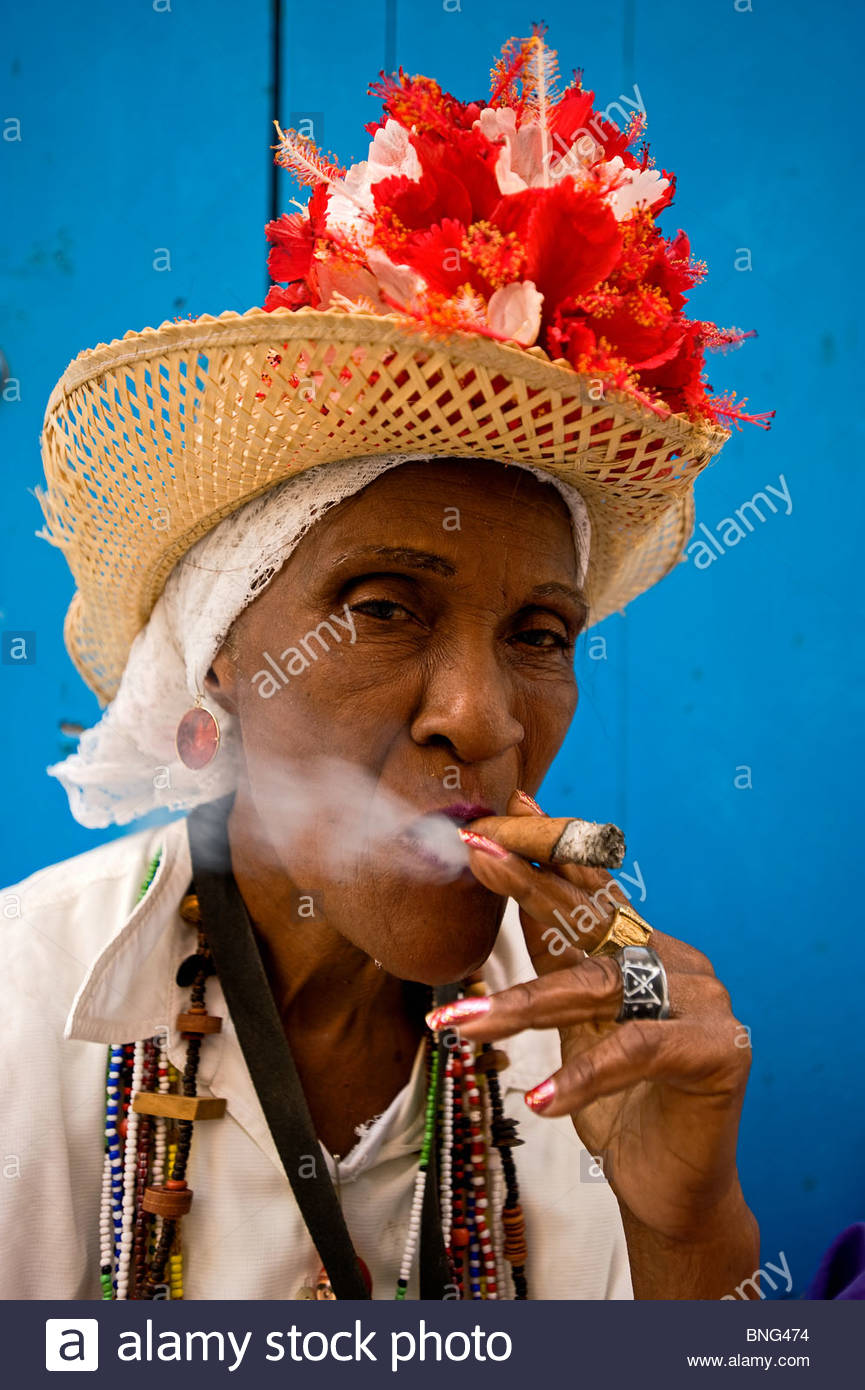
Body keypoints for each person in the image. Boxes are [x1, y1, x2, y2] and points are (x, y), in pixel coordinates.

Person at [0, 27, 768, 1301]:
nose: (480, 720)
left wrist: (685, 1224)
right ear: (214, 686)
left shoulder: (611, 1027)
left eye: (539, 635)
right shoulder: (23, 1012)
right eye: (380, 607)